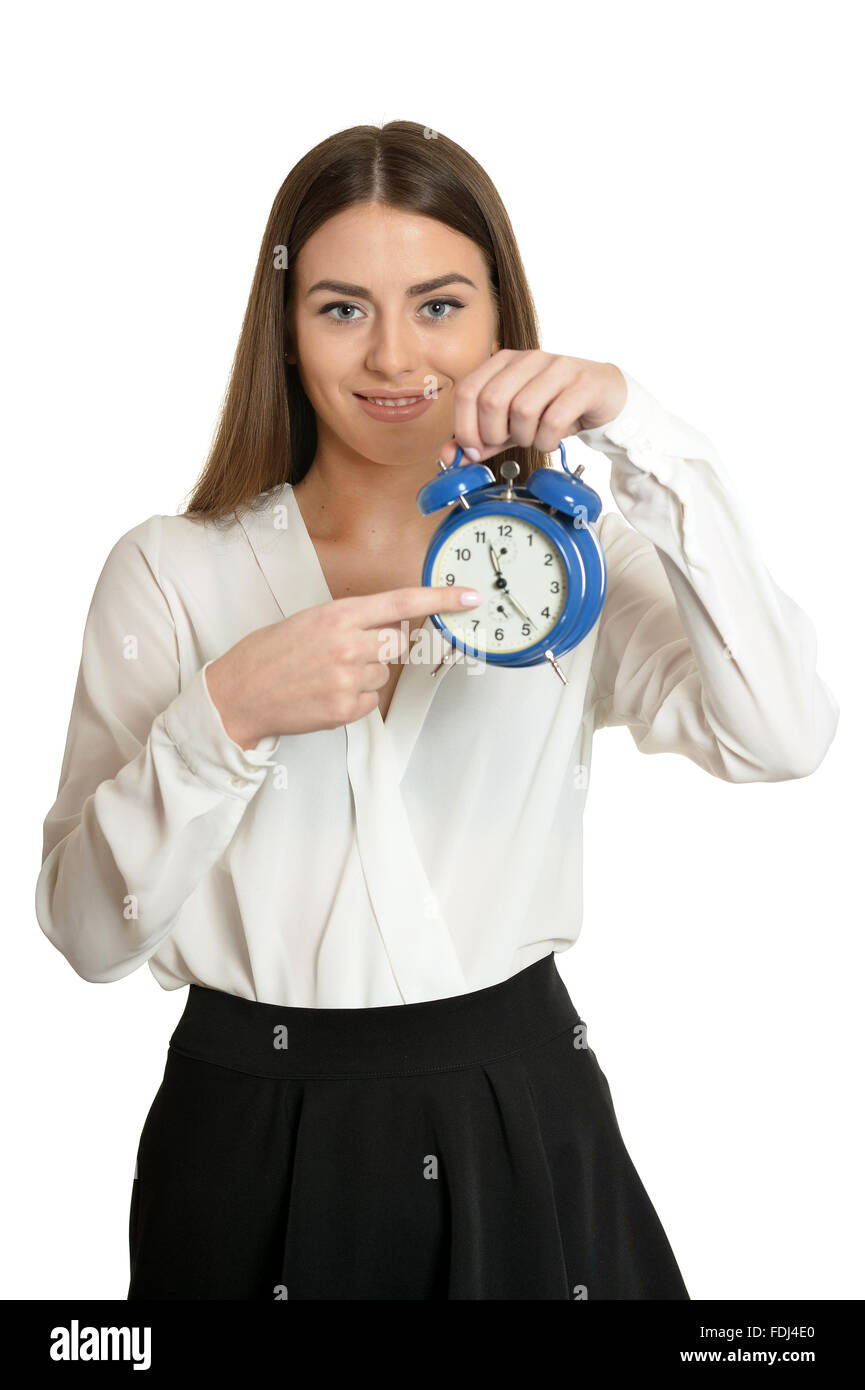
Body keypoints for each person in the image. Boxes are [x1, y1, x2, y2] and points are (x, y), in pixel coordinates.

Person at [35, 121, 839, 1301]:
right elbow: (86, 935)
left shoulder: (572, 556)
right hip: (249, 1132)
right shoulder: (172, 572)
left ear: (500, 316)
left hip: (518, 1114)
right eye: (342, 307)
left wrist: (643, 432)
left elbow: (785, 734)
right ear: (287, 327)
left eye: (441, 303)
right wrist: (225, 718)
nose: (394, 355)